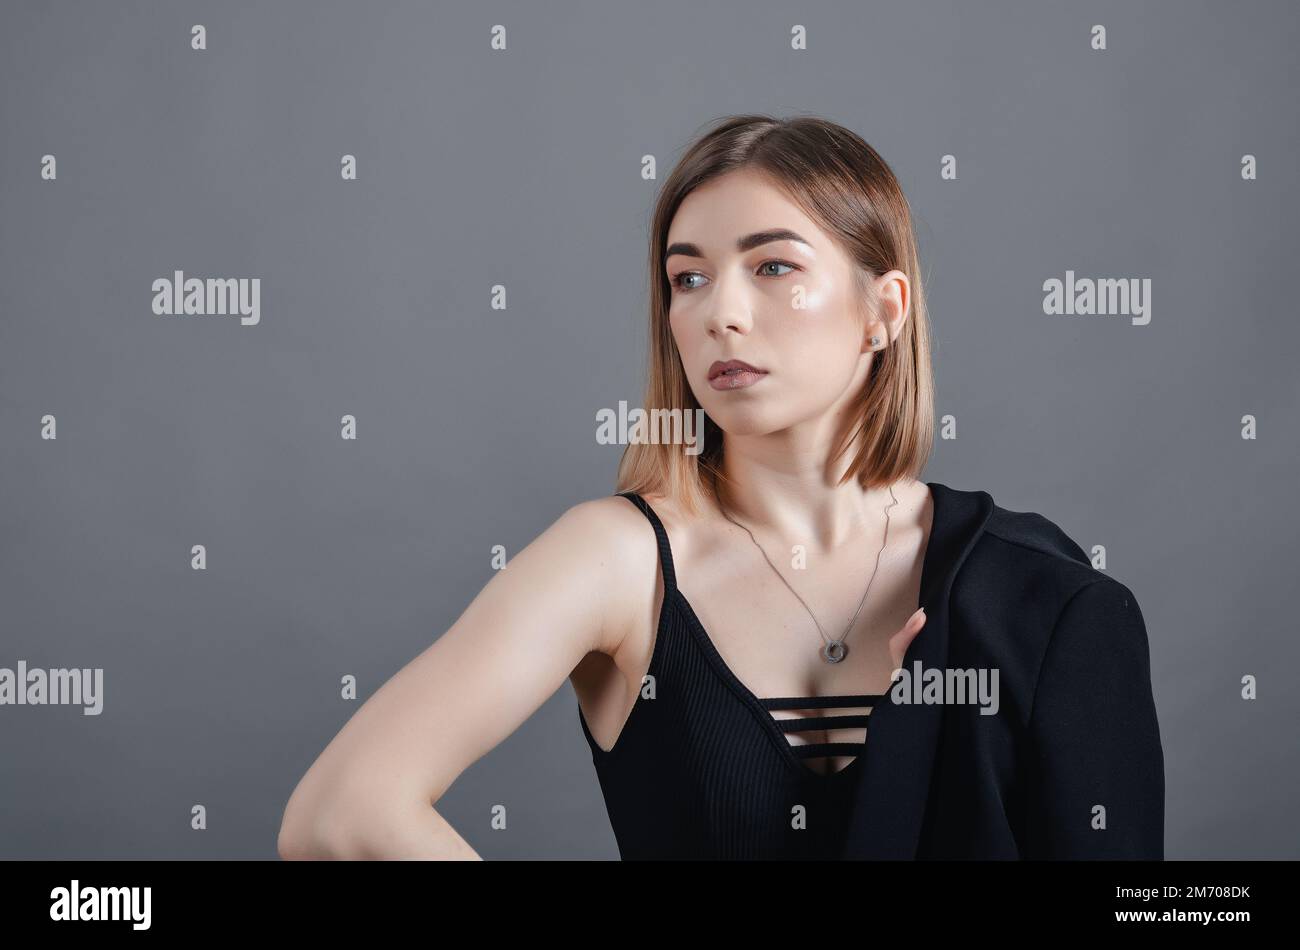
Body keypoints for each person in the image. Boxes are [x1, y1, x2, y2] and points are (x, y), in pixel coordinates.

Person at [276, 114, 1165, 861]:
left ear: (883, 311)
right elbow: (340, 814)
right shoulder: (617, 560)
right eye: (687, 278)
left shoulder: (1037, 592)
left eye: (773, 266)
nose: (719, 311)